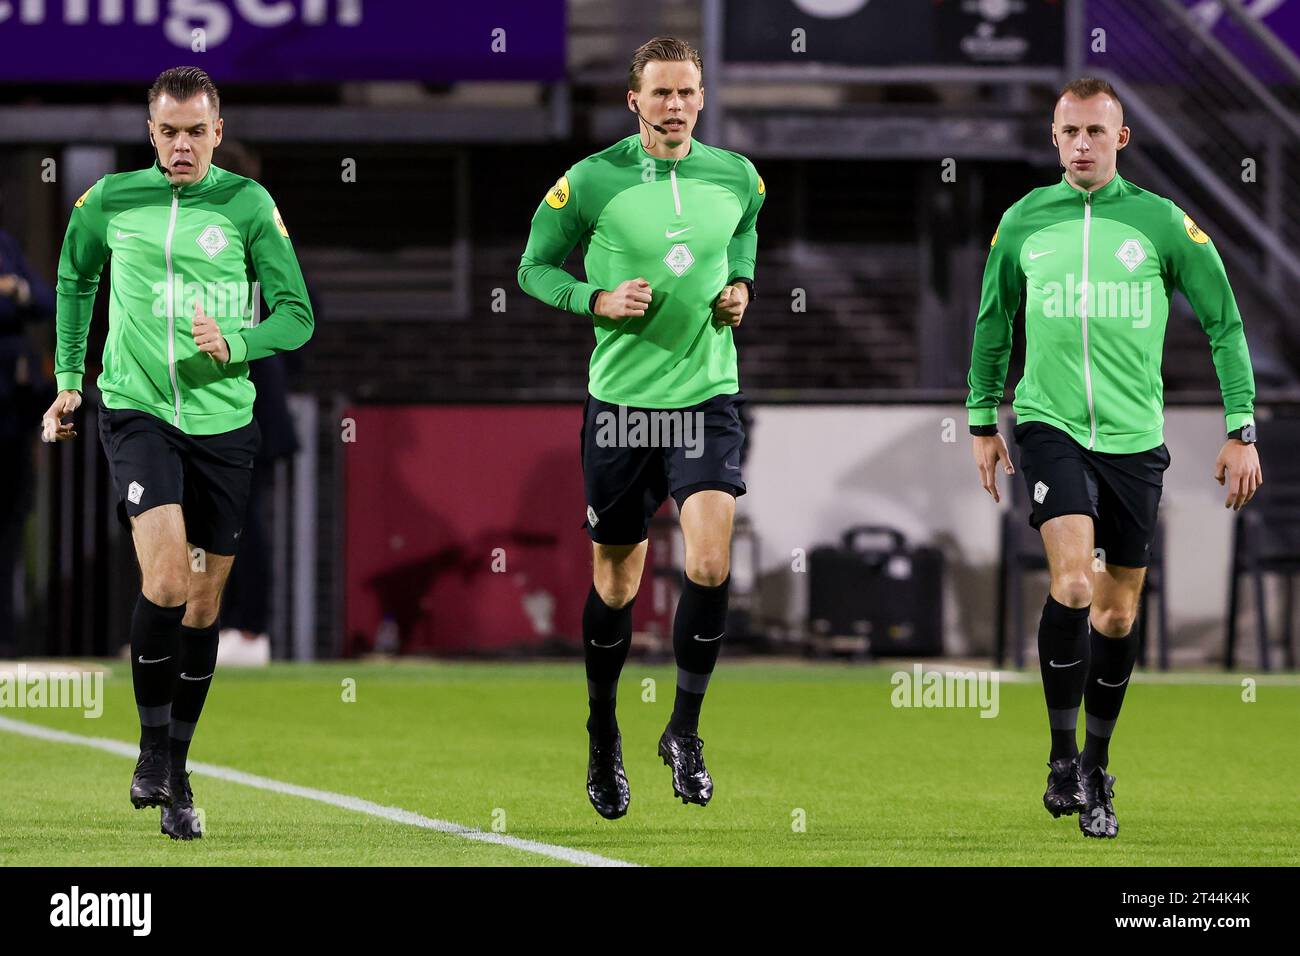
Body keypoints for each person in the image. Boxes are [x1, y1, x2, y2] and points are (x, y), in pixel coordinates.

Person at [967, 77, 1262, 838]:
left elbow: (1225, 324)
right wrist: (980, 419)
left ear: (1120, 140)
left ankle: (1099, 766)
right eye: (1069, 132)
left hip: (1135, 442)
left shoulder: (1162, 224)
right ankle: (1062, 756)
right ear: (1054, 137)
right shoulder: (1024, 221)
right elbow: (994, 321)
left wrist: (1241, 427)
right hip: (1049, 425)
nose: (1082, 145)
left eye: (1096, 132)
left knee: (1118, 610)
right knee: (1070, 584)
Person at [43, 66, 314, 840]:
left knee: (203, 604)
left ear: (217, 132)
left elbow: (296, 316)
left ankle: (181, 767)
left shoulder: (249, 205)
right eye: (169, 132)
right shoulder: (109, 202)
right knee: (165, 581)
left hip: (226, 423)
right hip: (137, 411)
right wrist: (70, 379)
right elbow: (73, 279)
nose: (183, 145)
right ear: (150, 131)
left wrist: (241, 342)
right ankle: (153, 748)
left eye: (197, 131)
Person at [518, 36, 765, 819]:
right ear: (635, 101)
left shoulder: (736, 175)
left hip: (705, 399)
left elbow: (747, 230)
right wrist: (593, 300)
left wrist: (742, 287)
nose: (675, 106)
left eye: (687, 92)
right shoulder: (591, 181)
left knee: (709, 562)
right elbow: (533, 267)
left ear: (702, 97)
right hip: (622, 408)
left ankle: (684, 732)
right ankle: (603, 734)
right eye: (660, 93)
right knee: (617, 582)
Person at [0, 205, 57, 645]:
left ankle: (5, 635)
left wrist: (14, 290)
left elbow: (45, 299)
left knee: (11, 525)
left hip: (11, 419)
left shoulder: (4, 244)